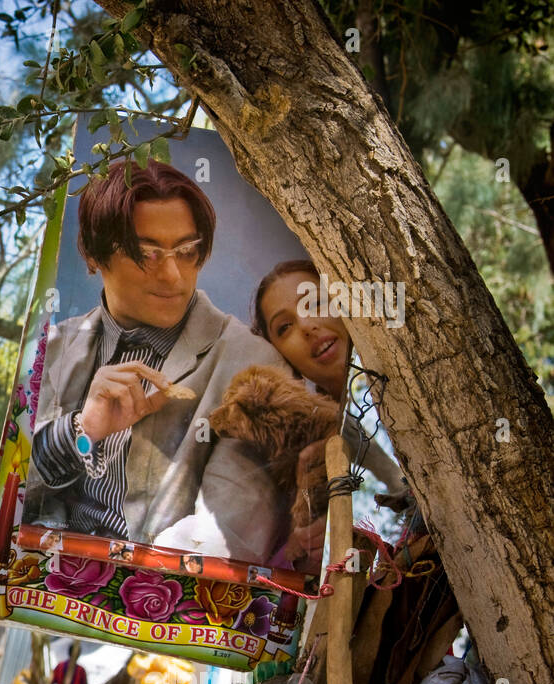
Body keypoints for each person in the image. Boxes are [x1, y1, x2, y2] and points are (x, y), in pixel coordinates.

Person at [25, 159, 294, 564]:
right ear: (95, 255)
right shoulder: (53, 348)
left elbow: (230, 533)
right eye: (147, 254)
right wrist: (84, 429)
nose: (173, 275)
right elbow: (12, 497)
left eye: (188, 252)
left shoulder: (253, 363)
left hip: (157, 612)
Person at [250, 259, 407, 566]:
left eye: (315, 302)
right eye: (285, 327)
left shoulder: (408, 386)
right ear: (282, 358)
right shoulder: (310, 452)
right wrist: (311, 543)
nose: (307, 326)